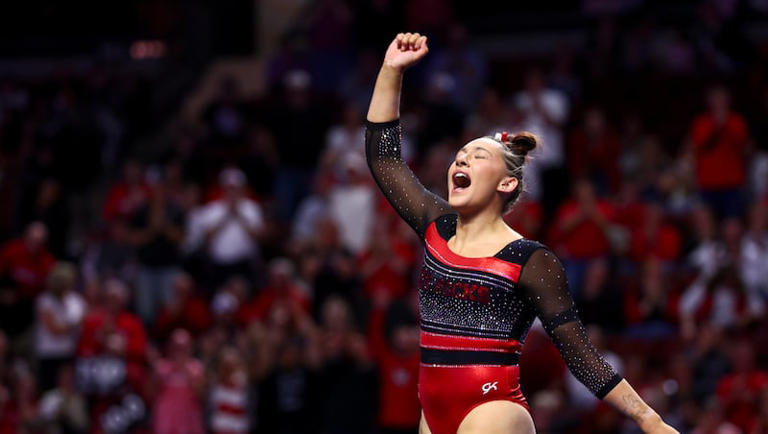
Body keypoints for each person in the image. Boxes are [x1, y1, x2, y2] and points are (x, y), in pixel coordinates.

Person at [365, 32, 678, 434]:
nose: (462, 159)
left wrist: (647, 419)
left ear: (507, 184)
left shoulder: (528, 259)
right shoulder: (435, 225)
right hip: (433, 412)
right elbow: (383, 157)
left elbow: (579, 354)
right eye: (460, 156)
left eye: (478, 156)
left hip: (493, 409)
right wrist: (391, 71)